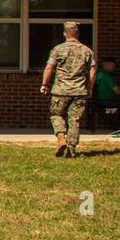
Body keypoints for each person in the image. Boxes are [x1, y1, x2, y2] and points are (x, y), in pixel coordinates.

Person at [40, 21, 96, 157]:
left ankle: (60, 138)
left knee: (56, 115)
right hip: (79, 91)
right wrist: (89, 88)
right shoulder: (87, 51)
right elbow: (93, 71)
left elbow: (49, 67)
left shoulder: (58, 49)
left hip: (60, 91)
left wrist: (45, 84)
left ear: (65, 33)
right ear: (78, 33)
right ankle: (71, 148)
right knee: (75, 120)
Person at [93, 57, 120, 128]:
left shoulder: (98, 73)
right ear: (107, 65)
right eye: (113, 66)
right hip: (108, 102)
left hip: (99, 101)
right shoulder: (107, 76)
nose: (114, 68)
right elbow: (117, 91)